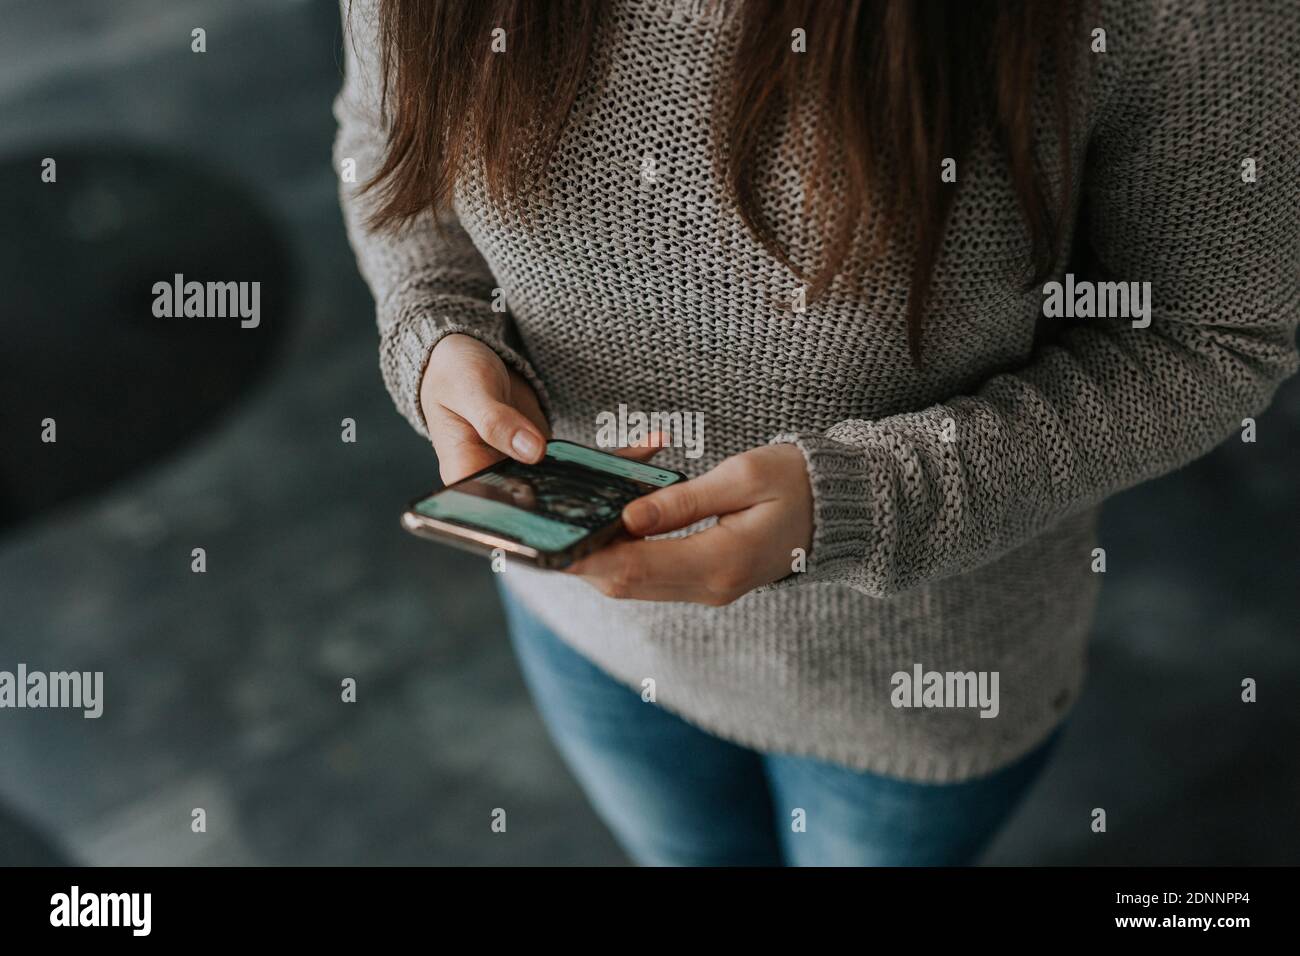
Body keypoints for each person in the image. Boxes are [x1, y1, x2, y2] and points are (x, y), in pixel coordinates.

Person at [334, 0, 1299, 865]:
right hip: (591, 628)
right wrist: (434, 319)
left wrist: (868, 501)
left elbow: (1212, 332)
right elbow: (382, 138)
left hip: (913, 681)